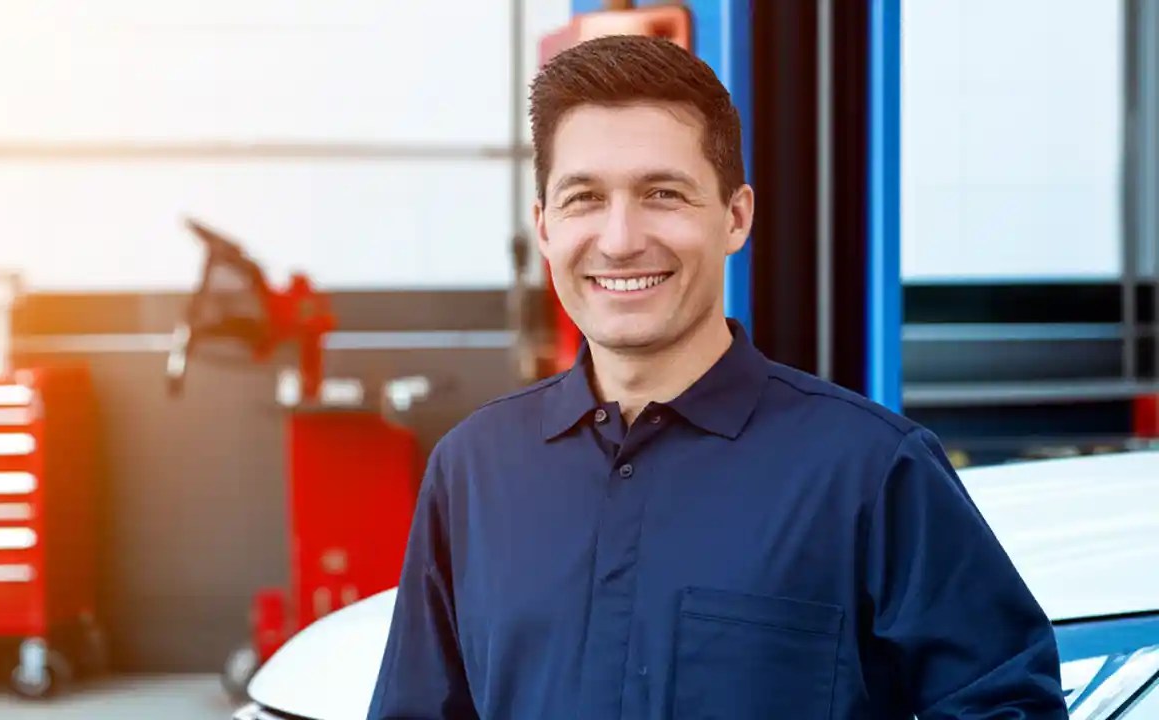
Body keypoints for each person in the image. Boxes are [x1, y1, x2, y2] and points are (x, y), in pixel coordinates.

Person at [367, 34, 1066, 720]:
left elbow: (1006, 706)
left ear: (736, 217)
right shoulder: (474, 471)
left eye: (663, 194)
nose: (619, 239)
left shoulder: (870, 473)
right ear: (544, 227)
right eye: (584, 199)